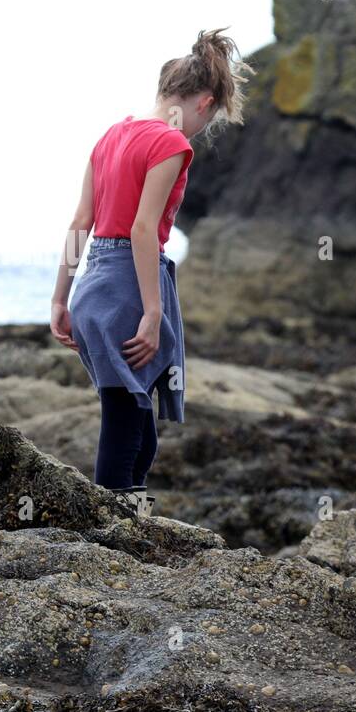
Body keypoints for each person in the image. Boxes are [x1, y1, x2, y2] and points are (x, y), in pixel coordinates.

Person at [49, 28, 253, 513]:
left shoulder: (111, 137)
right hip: (129, 287)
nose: (203, 130)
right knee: (125, 418)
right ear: (204, 103)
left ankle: (134, 523)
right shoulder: (170, 144)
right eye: (211, 119)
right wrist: (152, 312)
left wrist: (60, 298)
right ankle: (112, 531)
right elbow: (143, 230)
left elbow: (82, 222)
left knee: (136, 416)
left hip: (93, 284)